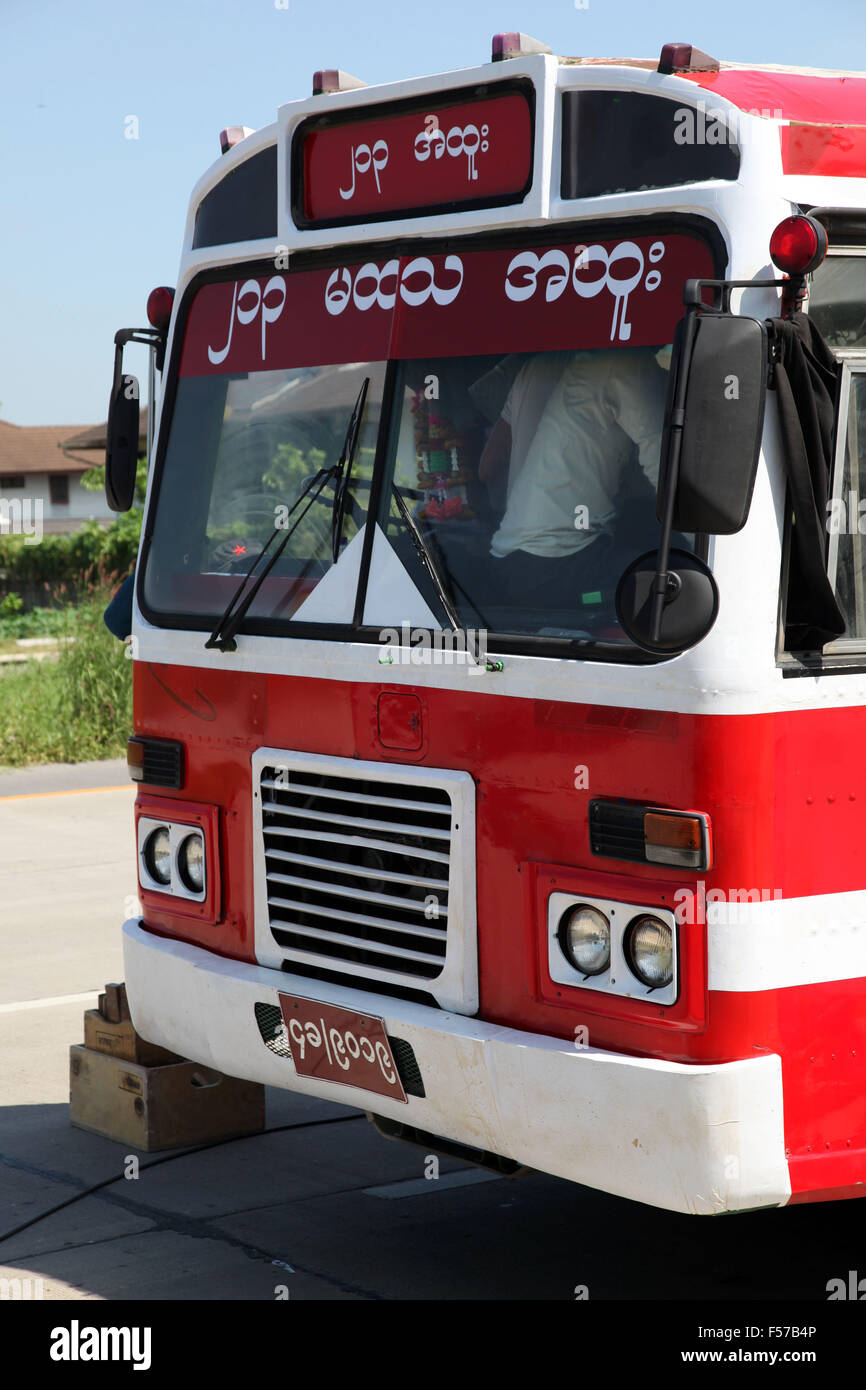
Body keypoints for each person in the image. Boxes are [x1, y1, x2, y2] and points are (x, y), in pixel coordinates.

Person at [484, 346, 670, 612]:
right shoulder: (626, 363)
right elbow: (665, 469)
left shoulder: (591, 364)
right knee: (671, 580)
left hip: (515, 560)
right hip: (556, 561)